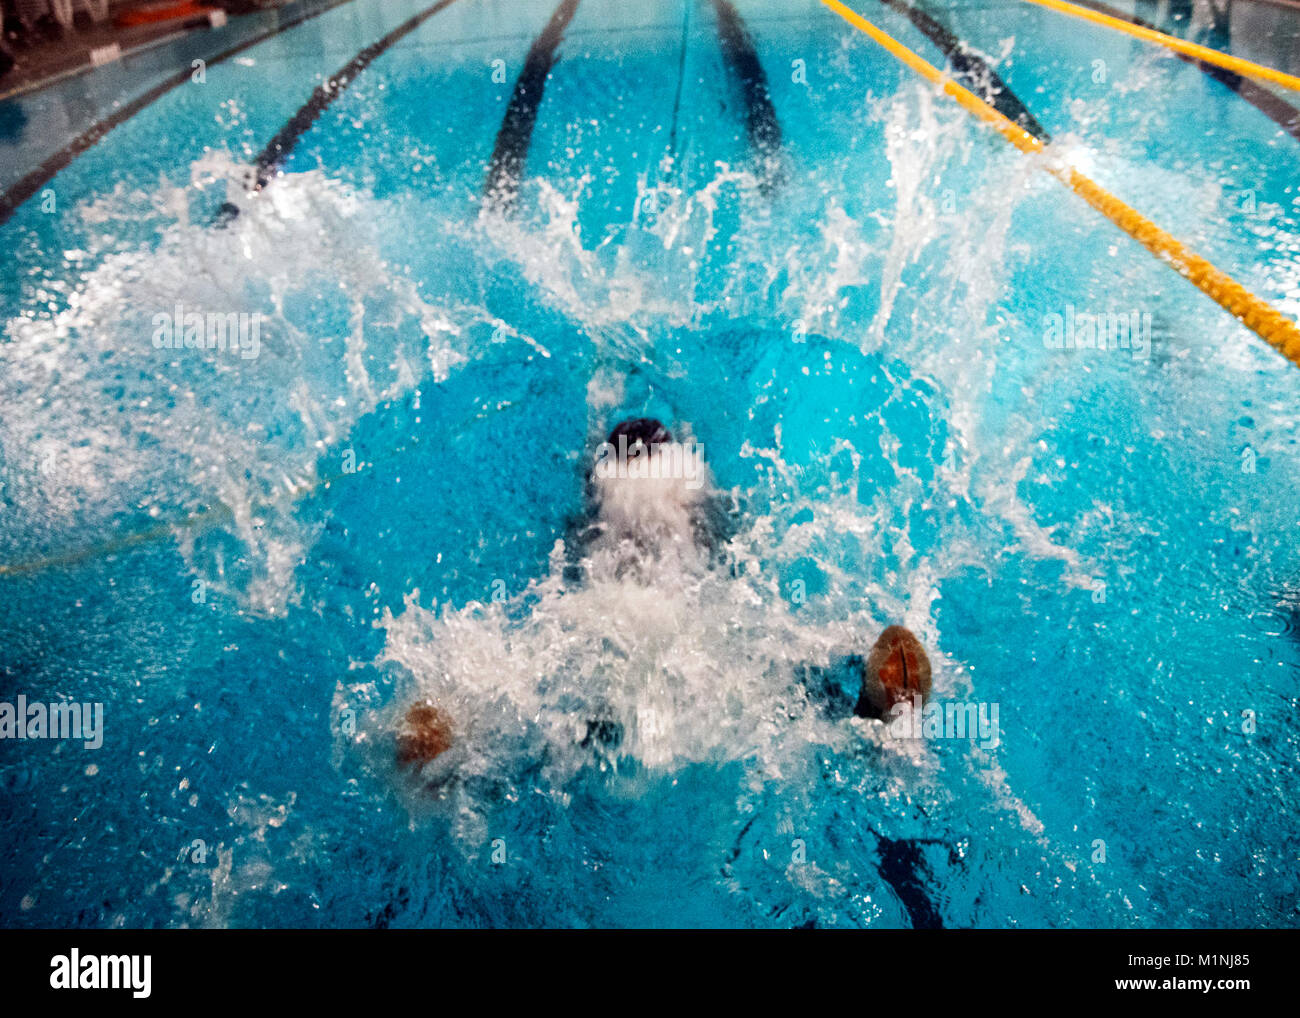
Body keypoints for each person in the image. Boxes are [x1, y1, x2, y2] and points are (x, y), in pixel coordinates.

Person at [395, 418, 932, 768]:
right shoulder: (713, 543)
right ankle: (877, 717)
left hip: (601, 681)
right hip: (707, 663)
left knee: (533, 714)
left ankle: (447, 739)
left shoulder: (585, 558)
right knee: (790, 687)